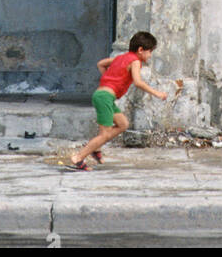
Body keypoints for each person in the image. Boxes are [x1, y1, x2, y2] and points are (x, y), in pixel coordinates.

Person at [69, 30, 168, 170]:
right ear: (141, 50)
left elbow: (101, 64)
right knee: (104, 134)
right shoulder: (135, 61)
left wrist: (108, 80)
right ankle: (78, 157)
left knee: (123, 124)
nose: (150, 55)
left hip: (104, 96)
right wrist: (157, 93)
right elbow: (138, 82)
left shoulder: (121, 57)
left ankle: (96, 147)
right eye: (150, 51)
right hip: (105, 97)